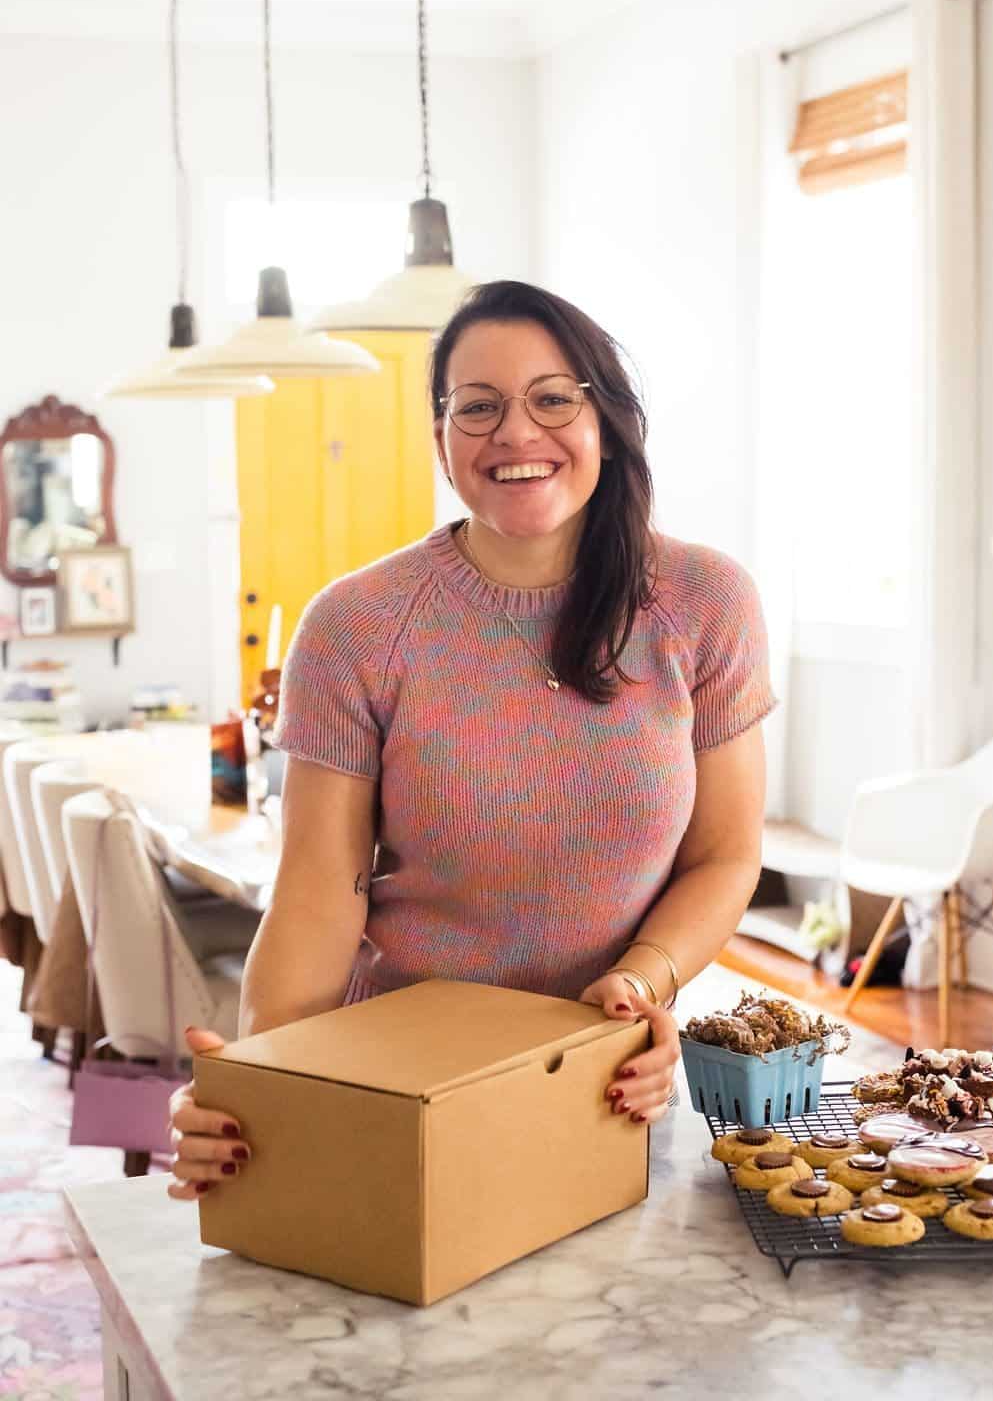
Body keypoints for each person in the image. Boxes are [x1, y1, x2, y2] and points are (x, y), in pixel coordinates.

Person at [167, 280, 776, 1201]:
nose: (516, 433)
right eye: (478, 407)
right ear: (442, 436)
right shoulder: (357, 625)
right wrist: (258, 1089)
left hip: (604, 1082)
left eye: (553, 398)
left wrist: (642, 983)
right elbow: (317, 899)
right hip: (396, 1082)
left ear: (607, 421)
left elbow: (725, 855)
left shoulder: (704, 603)